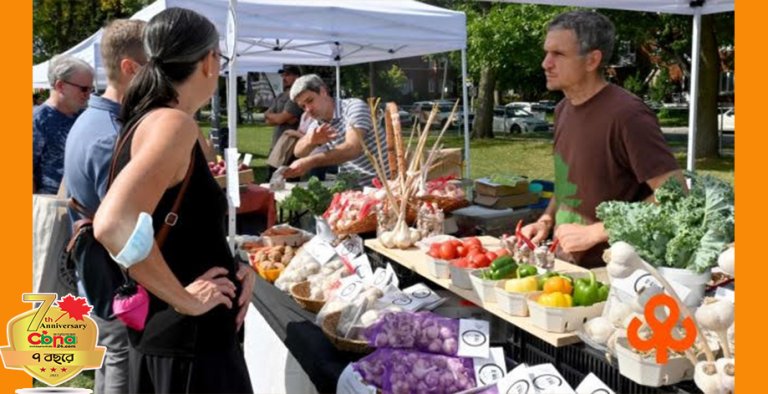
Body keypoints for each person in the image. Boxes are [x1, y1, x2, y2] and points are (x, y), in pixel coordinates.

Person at [91, 8, 253, 393]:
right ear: (210, 61)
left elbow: (179, 225)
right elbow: (112, 224)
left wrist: (235, 266)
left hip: (181, 340)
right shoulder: (172, 123)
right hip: (189, 348)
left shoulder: (156, 118)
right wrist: (186, 300)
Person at [520, 10, 684, 268]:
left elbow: (676, 195)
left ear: (592, 60)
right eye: (547, 52)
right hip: (565, 265)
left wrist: (594, 233)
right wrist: (546, 220)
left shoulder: (628, 114)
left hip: (615, 275)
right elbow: (567, 182)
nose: (546, 63)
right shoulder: (563, 109)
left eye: (559, 54)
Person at [63, 19, 146, 394]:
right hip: (112, 271)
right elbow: (124, 227)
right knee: (122, 356)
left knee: (112, 352)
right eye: (155, 67)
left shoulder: (91, 120)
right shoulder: (112, 137)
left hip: (96, 265)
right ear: (131, 69)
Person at [285, 74, 386, 186]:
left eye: (310, 100)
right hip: (353, 186)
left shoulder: (353, 107)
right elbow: (298, 152)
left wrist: (311, 162)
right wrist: (310, 140)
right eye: (303, 106)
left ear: (323, 91)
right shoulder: (318, 123)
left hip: (385, 183)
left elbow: (352, 148)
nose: (308, 109)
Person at [33, 55, 94, 194]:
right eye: (84, 89)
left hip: (80, 206)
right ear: (60, 86)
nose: (88, 95)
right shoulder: (38, 120)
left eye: (91, 89)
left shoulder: (84, 116)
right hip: (49, 209)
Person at [265, 65, 303, 179]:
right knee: (271, 180)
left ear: (297, 77)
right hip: (276, 144)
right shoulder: (281, 96)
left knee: (289, 180)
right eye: (283, 75)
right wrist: (280, 118)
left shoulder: (297, 97)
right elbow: (267, 119)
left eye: (287, 75)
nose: (283, 78)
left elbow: (280, 119)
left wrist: (278, 118)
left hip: (291, 147)